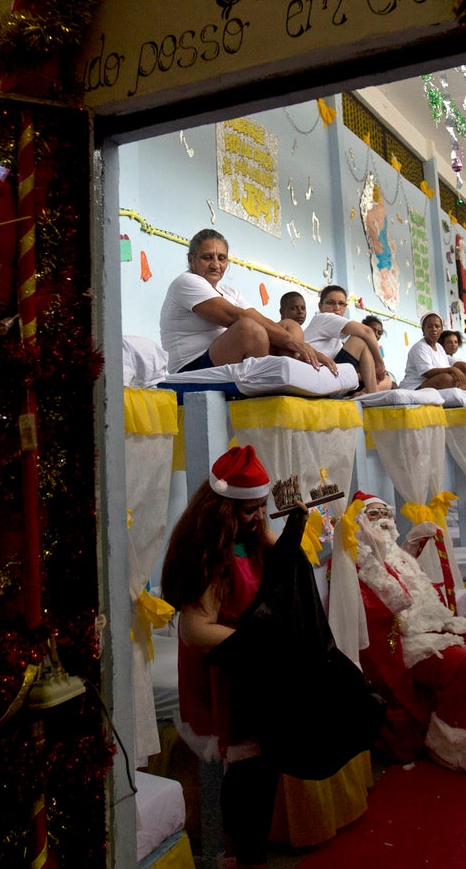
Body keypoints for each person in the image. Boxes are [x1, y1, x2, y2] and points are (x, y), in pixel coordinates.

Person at [160, 446, 283, 869]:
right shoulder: (212, 555)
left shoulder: (251, 539)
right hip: (227, 674)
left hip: (251, 670)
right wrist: (255, 641)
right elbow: (196, 629)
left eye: (263, 508)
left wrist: (269, 534)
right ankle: (238, 856)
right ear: (224, 509)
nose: (259, 517)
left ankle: (250, 853)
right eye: (251, 510)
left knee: (264, 772)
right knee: (249, 777)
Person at [354, 495, 466, 771]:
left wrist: (409, 548)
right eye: (373, 515)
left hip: (435, 622)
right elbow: (393, 605)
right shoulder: (358, 562)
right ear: (360, 523)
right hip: (403, 639)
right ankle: (453, 745)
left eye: (385, 513)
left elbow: (418, 590)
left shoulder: (396, 555)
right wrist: (377, 558)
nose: (383, 520)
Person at [160, 229, 334, 375]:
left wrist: (297, 344)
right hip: (192, 367)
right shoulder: (186, 282)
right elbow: (236, 317)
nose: (215, 264)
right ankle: (281, 374)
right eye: (207, 257)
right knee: (250, 329)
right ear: (191, 260)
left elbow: (256, 316)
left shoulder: (230, 292)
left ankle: (296, 369)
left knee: (290, 326)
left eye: (221, 258)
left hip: (224, 359)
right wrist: (294, 343)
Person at [286, 286, 393, 395]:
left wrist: (372, 373)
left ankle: (363, 394)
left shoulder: (336, 340)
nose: (337, 308)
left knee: (387, 381)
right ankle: (372, 396)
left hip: (331, 377)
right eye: (331, 303)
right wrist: (380, 364)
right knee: (360, 340)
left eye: (341, 304)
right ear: (320, 306)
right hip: (318, 376)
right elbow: (367, 332)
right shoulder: (323, 318)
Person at [401, 312, 466, 392]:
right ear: (423, 329)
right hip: (415, 386)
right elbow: (428, 373)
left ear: (441, 330)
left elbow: (446, 367)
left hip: (432, 384)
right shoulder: (420, 347)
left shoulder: (440, 347)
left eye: (437, 326)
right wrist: (452, 369)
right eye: (430, 326)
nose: (434, 329)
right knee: (447, 379)